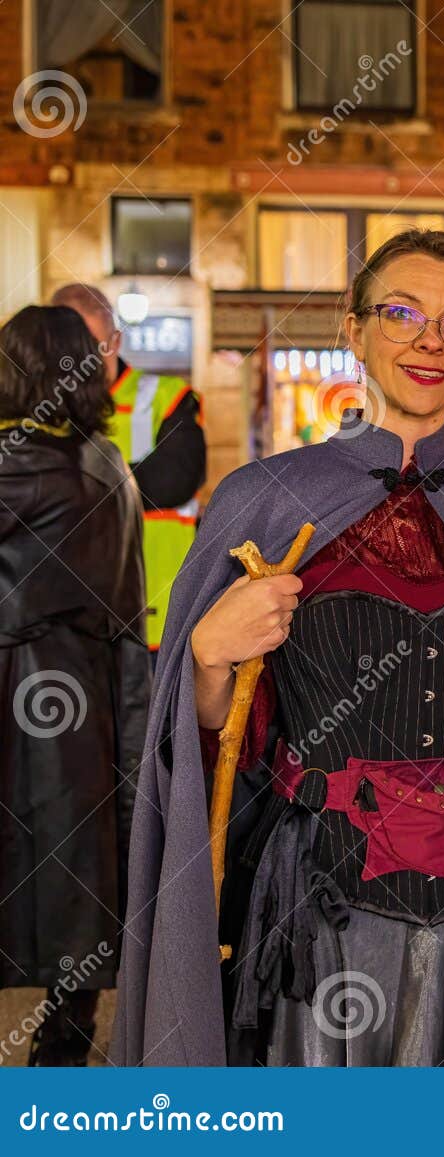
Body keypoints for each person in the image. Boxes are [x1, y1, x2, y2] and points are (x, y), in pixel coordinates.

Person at [111, 229, 444, 1066]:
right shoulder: (266, 498)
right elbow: (212, 741)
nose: (431, 340)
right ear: (352, 330)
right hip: (320, 902)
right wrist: (207, 653)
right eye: (402, 313)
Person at [0, 306, 148, 1065]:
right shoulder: (111, 473)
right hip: (81, 730)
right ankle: (57, 1085)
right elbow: (129, 630)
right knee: (75, 910)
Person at [51, 283, 207, 661]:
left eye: (97, 346)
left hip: (154, 619)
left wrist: (65, 486)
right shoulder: (37, 410)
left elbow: (174, 480)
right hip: (65, 624)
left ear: (116, 341)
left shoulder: (167, 396)